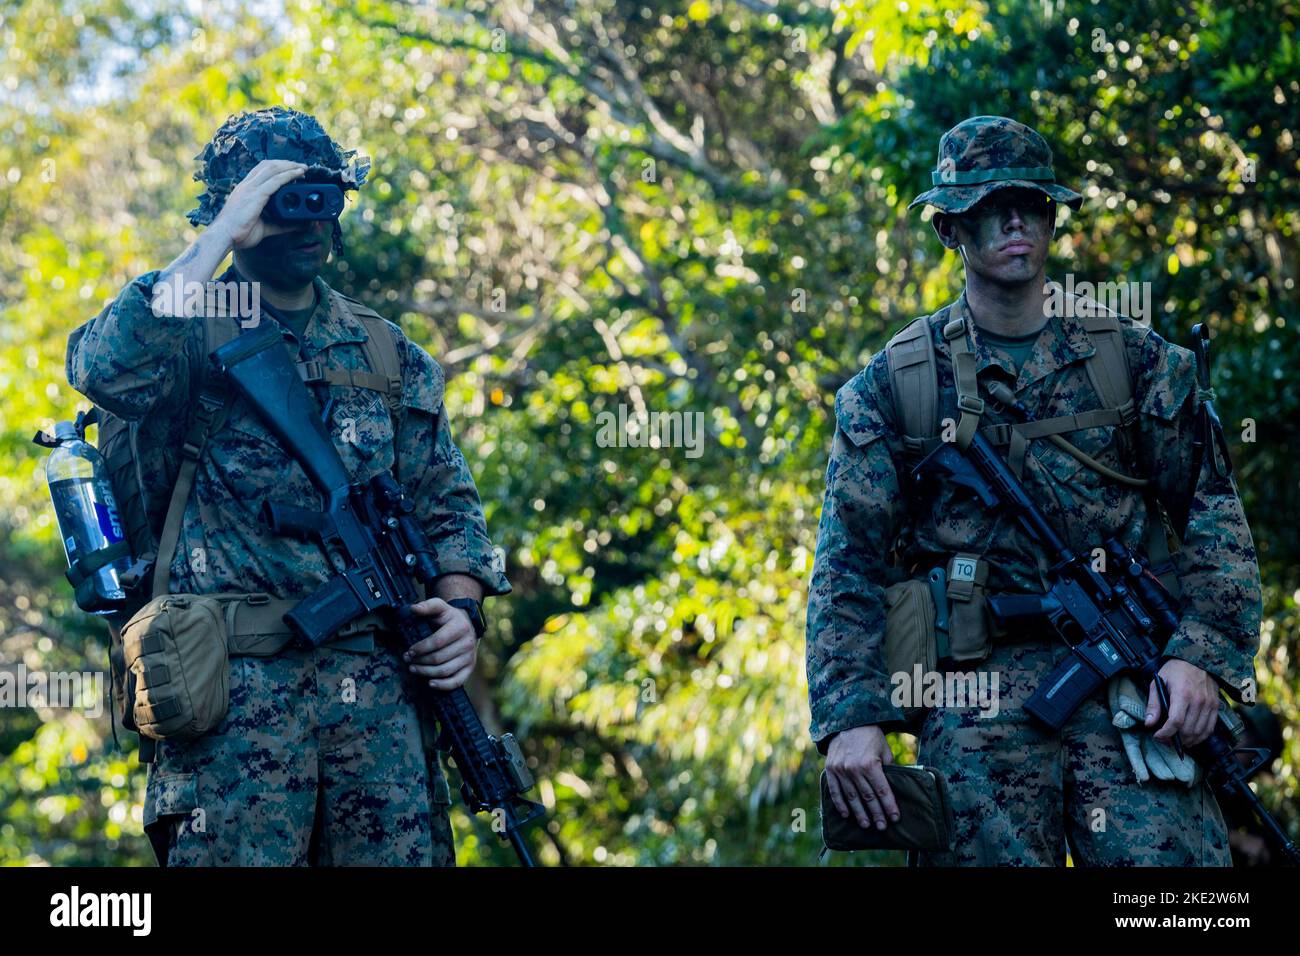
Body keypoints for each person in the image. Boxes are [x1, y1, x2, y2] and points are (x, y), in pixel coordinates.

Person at [806, 115, 1263, 865]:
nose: (1015, 220)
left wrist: (1200, 657)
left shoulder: (1139, 361)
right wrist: (851, 716)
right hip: (968, 702)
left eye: (1032, 203)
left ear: (1052, 216)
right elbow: (848, 565)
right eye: (990, 206)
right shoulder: (896, 385)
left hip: (1131, 691)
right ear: (952, 227)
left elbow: (1214, 518)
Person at [66, 106, 510, 866]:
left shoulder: (384, 349)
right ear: (234, 211)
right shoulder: (185, 322)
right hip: (233, 715)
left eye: (323, 197)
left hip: (379, 712)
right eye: (283, 202)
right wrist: (220, 236)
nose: (309, 220)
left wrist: (462, 612)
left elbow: (448, 507)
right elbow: (103, 368)